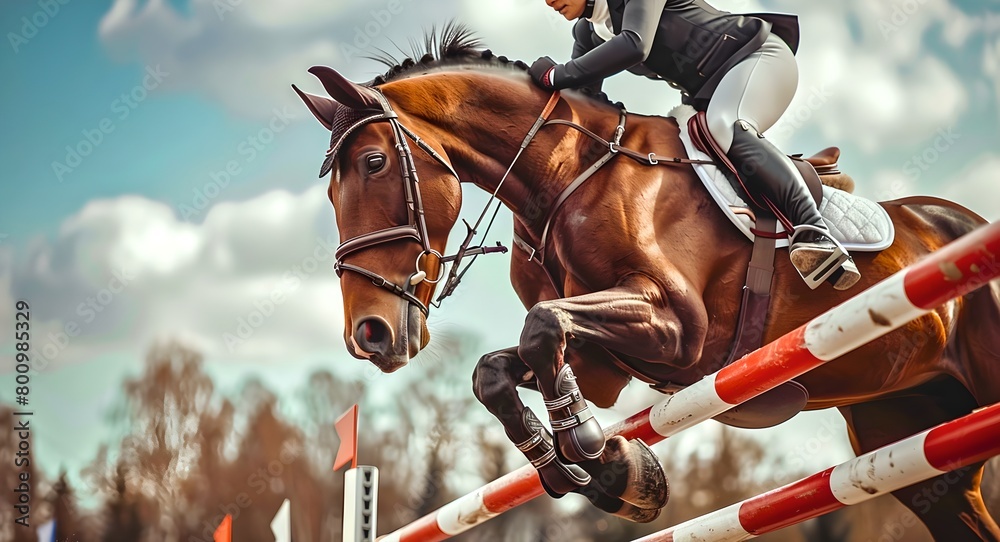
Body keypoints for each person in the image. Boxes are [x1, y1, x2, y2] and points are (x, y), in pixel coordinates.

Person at [529, 0, 861, 291]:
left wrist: (555, 75)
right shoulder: (588, 33)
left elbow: (634, 44)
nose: (548, 2)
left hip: (758, 58)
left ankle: (815, 231)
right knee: (682, 150)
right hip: (707, 93)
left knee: (724, 125)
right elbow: (582, 101)